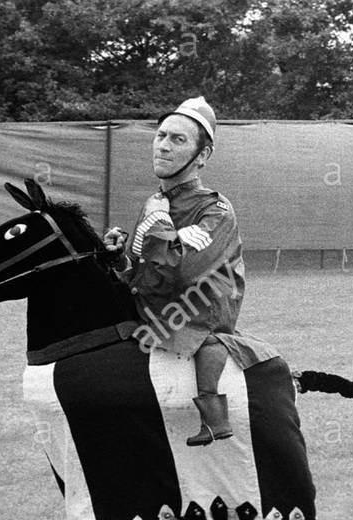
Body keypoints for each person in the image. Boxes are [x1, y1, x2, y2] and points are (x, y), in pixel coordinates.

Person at [103, 97, 247, 445]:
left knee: (205, 335)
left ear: (202, 155)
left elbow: (180, 272)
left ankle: (214, 416)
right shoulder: (156, 203)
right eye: (161, 136)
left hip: (196, 311)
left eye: (178, 140)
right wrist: (118, 259)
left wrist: (159, 222)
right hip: (152, 308)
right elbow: (145, 275)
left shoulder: (215, 209)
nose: (164, 146)